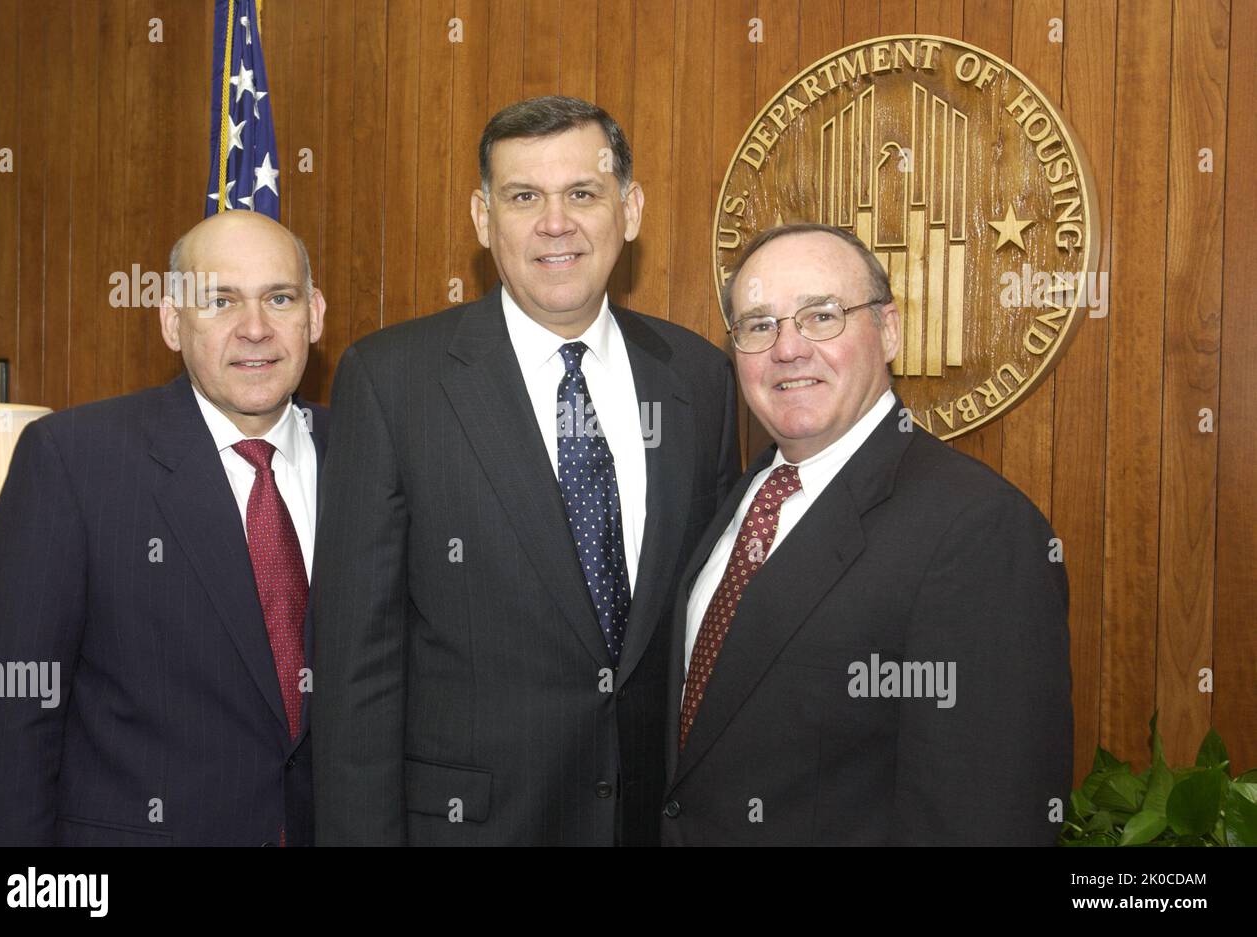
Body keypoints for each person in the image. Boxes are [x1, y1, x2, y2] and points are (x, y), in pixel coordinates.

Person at [312, 96, 741, 845]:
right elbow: (355, 670)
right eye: (523, 197)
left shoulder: (700, 380)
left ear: (629, 209)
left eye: (583, 193)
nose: (556, 222)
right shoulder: (391, 381)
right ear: (483, 219)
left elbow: (709, 632)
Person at [661, 223, 1073, 845]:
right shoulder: (742, 497)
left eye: (822, 316)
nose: (788, 348)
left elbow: (985, 819)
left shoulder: (979, 531)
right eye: (758, 325)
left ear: (889, 331)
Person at [0, 211, 328, 846]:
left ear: (314, 315)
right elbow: (11, 722)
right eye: (219, 300)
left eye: (280, 297)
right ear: (170, 321)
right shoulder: (72, 462)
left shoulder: (369, 454)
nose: (256, 328)